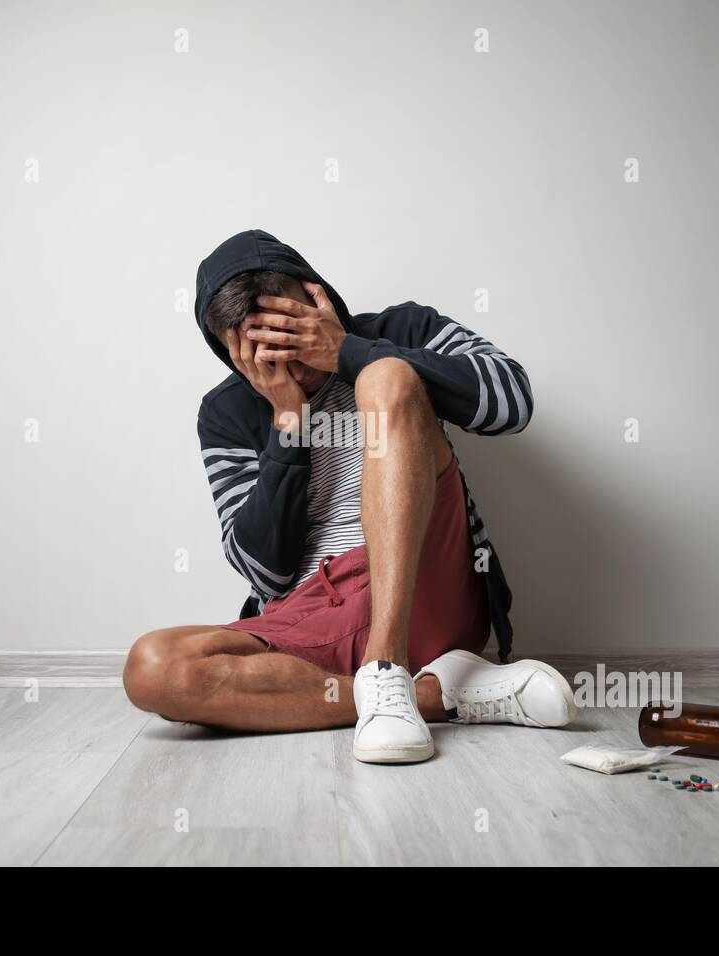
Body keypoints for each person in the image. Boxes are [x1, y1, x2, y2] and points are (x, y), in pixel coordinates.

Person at [123, 230, 576, 763]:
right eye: (266, 357)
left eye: (295, 340)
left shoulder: (400, 331)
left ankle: (387, 667)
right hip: (320, 615)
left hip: (424, 589)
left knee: (387, 378)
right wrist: (287, 424)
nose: (293, 370)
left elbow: (512, 403)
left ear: (318, 298)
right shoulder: (227, 412)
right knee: (152, 668)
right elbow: (264, 577)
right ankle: (438, 694)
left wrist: (349, 352)